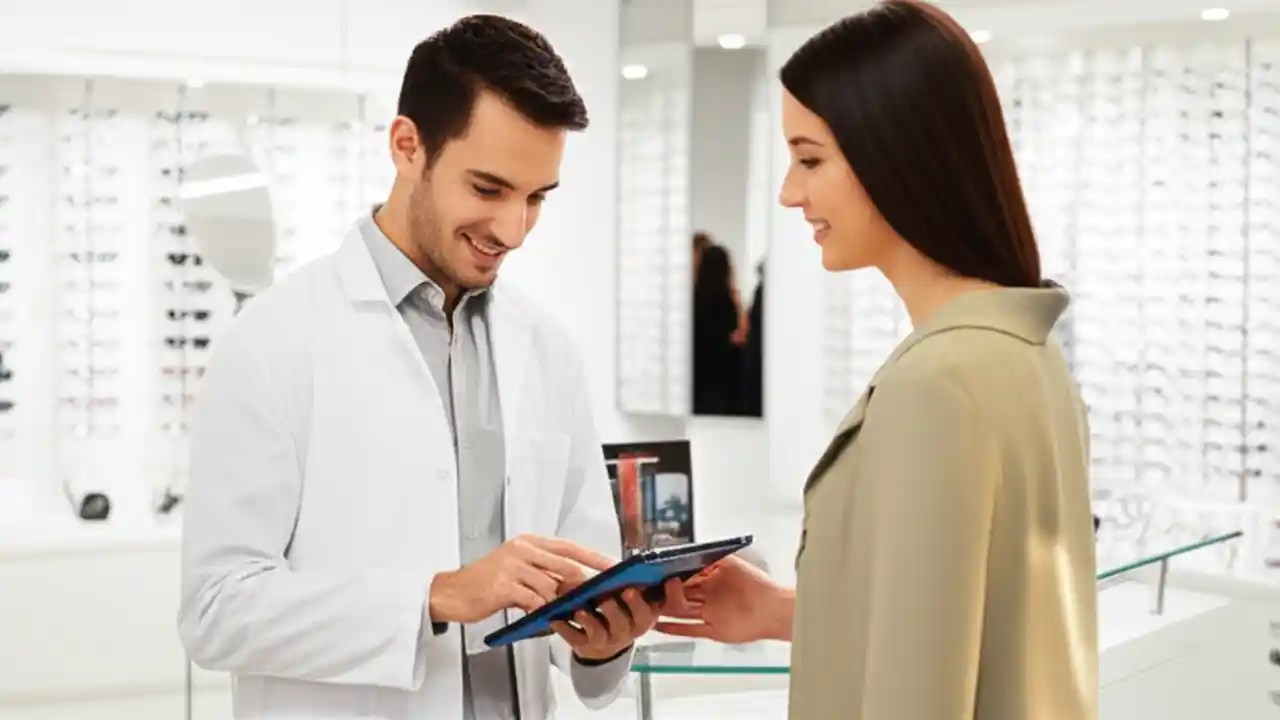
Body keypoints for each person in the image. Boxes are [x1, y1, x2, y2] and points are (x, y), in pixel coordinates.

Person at [178, 15, 657, 720]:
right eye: (489, 189)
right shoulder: (274, 339)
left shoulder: (547, 349)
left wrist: (601, 643)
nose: (513, 230)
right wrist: (438, 596)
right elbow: (216, 610)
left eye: (536, 198)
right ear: (408, 146)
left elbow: (579, 590)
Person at [657, 1, 1099, 718]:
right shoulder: (1029, 357)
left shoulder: (937, 386)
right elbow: (962, 629)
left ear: (897, 150)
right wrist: (780, 612)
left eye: (810, 159)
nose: (789, 193)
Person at [692, 244, 744, 414]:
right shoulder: (726, 300)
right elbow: (733, 331)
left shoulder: (693, 297)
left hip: (697, 374)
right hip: (721, 374)